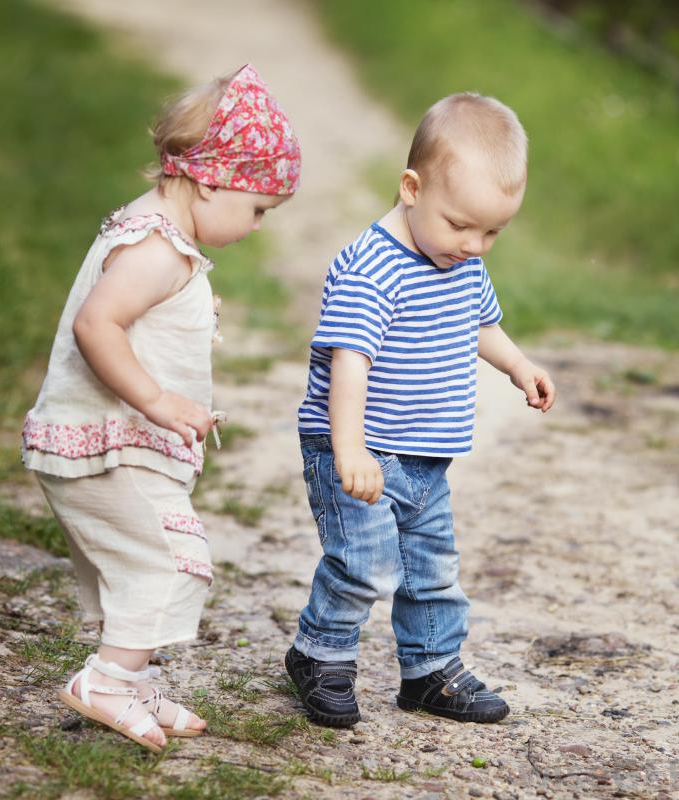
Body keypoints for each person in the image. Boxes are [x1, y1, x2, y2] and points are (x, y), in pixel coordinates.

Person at [21, 64, 299, 752]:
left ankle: (134, 680)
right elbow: (96, 326)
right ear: (209, 180)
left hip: (109, 443)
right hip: (101, 444)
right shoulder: (156, 250)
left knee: (154, 555)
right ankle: (106, 682)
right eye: (257, 208)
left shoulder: (154, 231)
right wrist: (155, 398)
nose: (258, 225)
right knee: (171, 557)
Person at [285, 92, 554, 728]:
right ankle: (318, 654)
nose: (477, 245)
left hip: (425, 454)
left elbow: (480, 324)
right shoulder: (372, 267)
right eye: (462, 225)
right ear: (412, 187)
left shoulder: (458, 261)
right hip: (357, 448)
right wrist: (350, 450)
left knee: (432, 569)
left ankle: (431, 669)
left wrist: (518, 365)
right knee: (364, 561)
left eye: (493, 231)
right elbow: (351, 363)